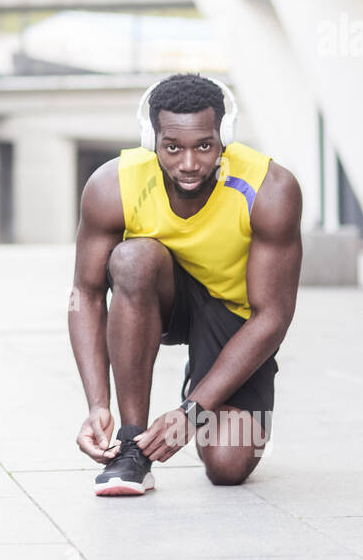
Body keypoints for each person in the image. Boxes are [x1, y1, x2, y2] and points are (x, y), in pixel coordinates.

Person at [67, 73, 302, 495]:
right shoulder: (112, 185)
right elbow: (84, 294)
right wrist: (96, 404)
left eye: (204, 146)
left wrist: (192, 413)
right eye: (172, 147)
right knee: (133, 258)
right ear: (151, 140)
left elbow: (274, 316)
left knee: (227, 467)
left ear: (223, 138)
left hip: (237, 318)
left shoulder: (271, 187)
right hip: (166, 298)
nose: (189, 163)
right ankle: (131, 446)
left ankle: (204, 380)